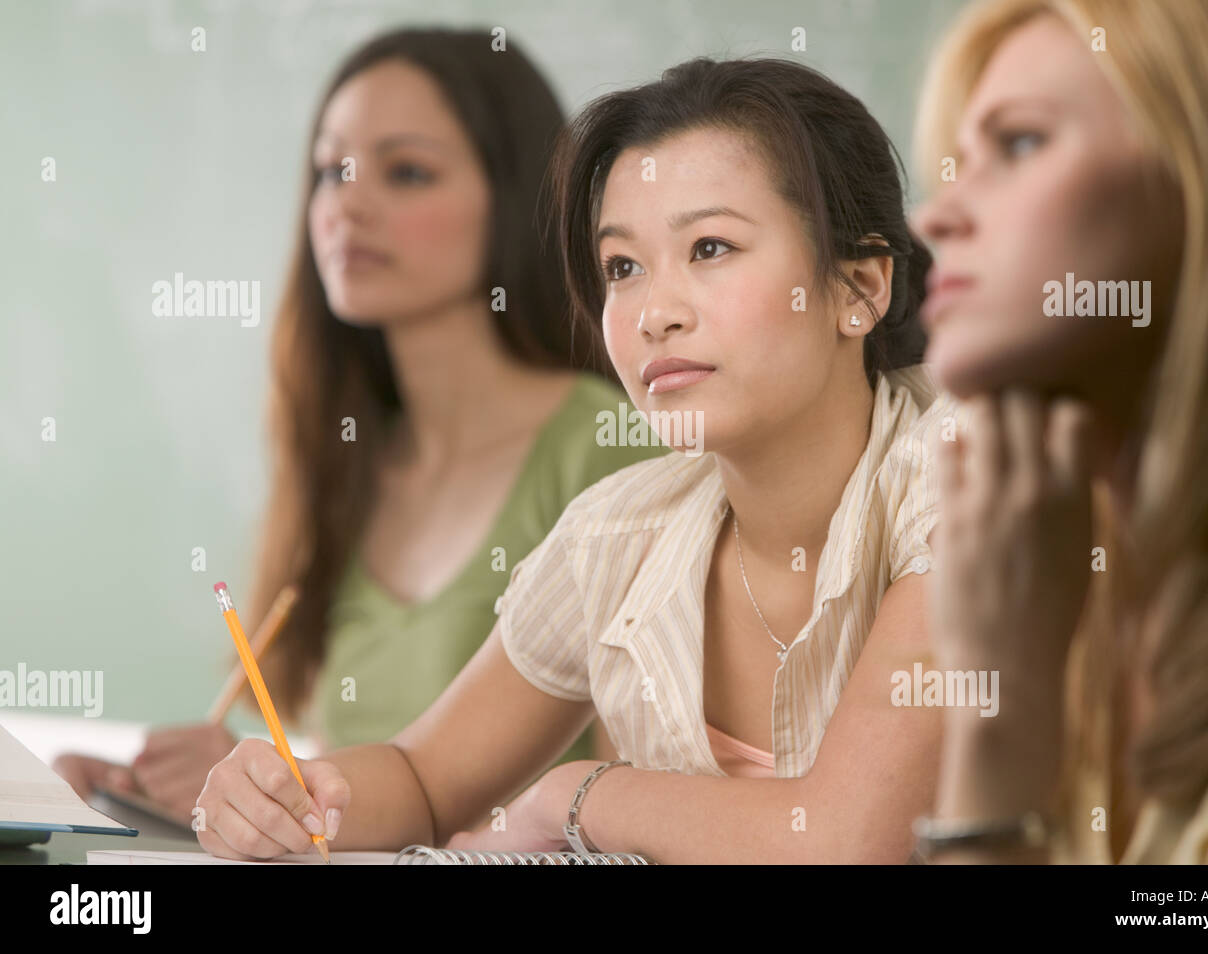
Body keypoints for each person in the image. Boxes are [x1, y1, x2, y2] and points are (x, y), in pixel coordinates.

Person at [194, 55, 956, 865]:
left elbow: (842, 844)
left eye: (710, 247)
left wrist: (578, 796)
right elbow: (422, 780)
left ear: (861, 287)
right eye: (622, 267)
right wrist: (287, 795)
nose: (654, 314)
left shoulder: (967, 480)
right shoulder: (617, 533)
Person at [53, 27, 661, 824]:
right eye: (328, 172)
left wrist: (293, 786)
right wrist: (220, 791)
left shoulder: (613, 452)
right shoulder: (341, 461)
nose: (347, 203)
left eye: (406, 171)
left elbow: (619, 809)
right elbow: (367, 767)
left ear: (517, 199)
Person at [910, 0, 1208, 863]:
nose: (933, 220)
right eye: (955, 165)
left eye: (1017, 146)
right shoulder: (1079, 592)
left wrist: (999, 726)